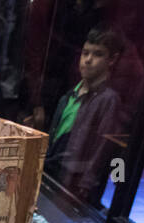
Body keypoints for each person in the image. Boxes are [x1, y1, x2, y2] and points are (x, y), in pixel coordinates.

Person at [42, 27, 124, 204]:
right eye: (85, 53)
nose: (88, 60)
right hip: (55, 172)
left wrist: (87, 183)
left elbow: (102, 147)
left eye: (98, 54)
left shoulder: (108, 100)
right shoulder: (69, 95)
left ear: (112, 60)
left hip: (76, 183)